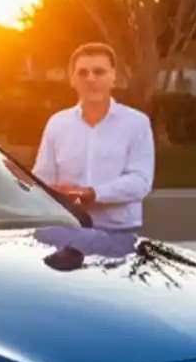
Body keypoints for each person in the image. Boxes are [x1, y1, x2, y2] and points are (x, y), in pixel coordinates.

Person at [32, 42, 155, 233]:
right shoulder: (57, 123)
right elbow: (41, 179)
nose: (91, 79)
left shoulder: (136, 123)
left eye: (99, 72)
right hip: (69, 228)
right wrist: (59, 193)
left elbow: (140, 181)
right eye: (82, 73)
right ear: (72, 79)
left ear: (114, 76)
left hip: (119, 231)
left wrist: (91, 194)